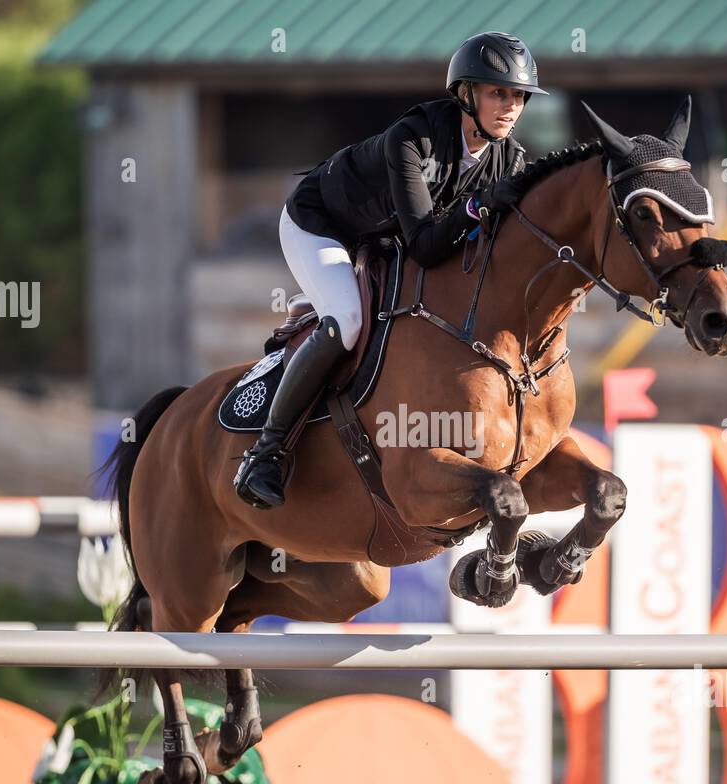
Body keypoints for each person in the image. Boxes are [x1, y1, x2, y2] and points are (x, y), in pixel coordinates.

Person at [234, 31, 548, 509]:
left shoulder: (510, 159)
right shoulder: (413, 139)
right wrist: (478, 207)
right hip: (322, 224)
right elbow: (426, 243)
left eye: (518, 96)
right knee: (348, 321)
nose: (510, 106)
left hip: (386, 239)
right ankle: (265, 453)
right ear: (466, 94)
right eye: (497, 93)